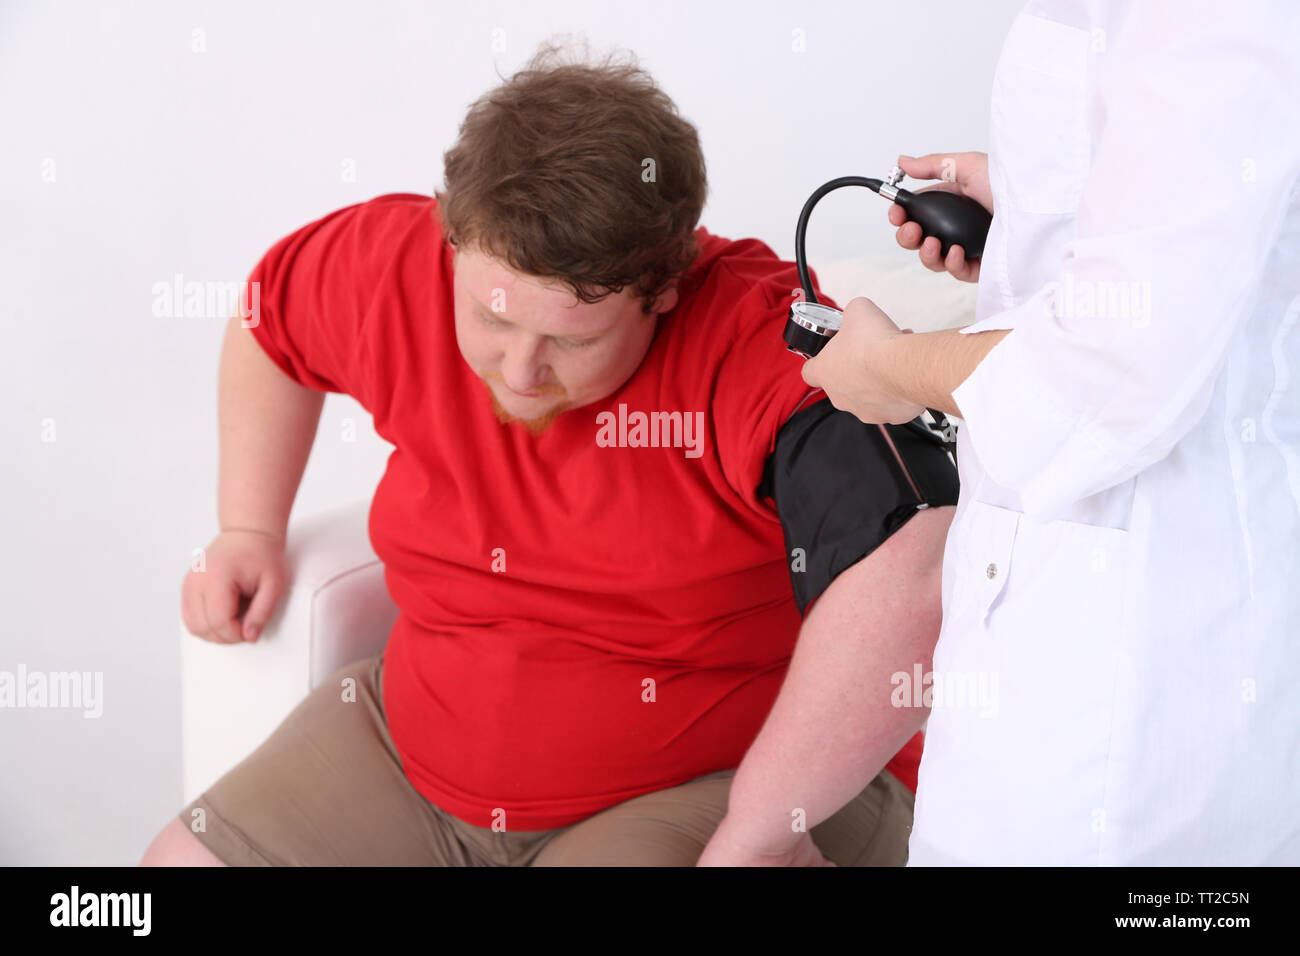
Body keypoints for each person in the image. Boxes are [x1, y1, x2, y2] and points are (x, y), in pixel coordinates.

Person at [140, 45, 958, 867]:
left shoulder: (761, 337)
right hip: (406, 754)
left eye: (575, 338)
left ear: (667, 286)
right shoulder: (393, 265)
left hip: (706, 788)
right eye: (492, 320)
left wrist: (762, 834)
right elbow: (267, 318)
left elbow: (915, 556)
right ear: (450, 237)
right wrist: (248, 527)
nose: (520, 373)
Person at [709, 0, 1300, 865]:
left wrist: (891, 369)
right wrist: (1042, 215)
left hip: (1126, 694)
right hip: (1072, 658)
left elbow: (1107, 374)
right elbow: (1208, 246)